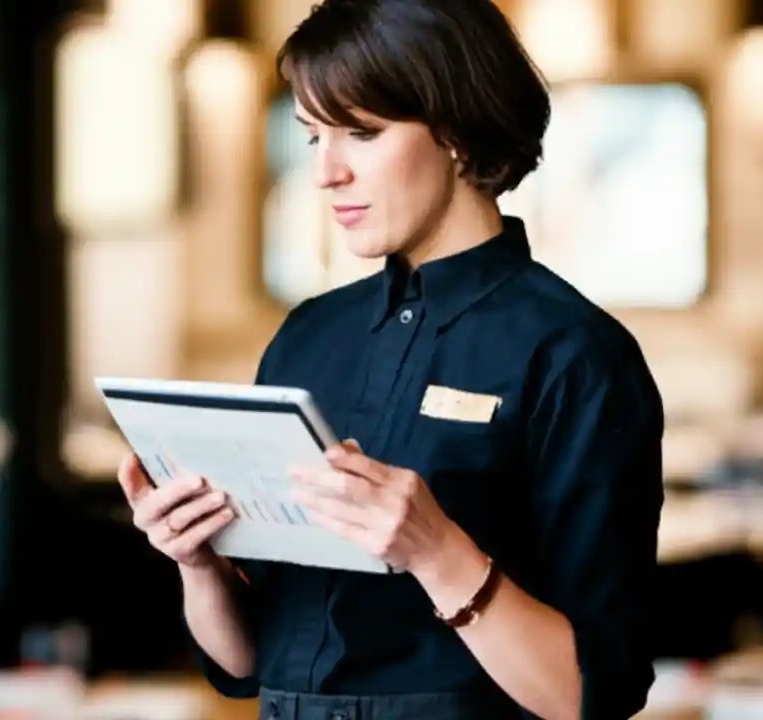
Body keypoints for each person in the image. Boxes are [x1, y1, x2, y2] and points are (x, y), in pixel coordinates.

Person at [115, 1, 664, 718]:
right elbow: (248, 663)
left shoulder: (576, 355)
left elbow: (594, 695)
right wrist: (197, 562)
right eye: (312, 137)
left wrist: (438, 552)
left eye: (360, 133)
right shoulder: (308, 337)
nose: (326, 173)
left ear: (459, 132)